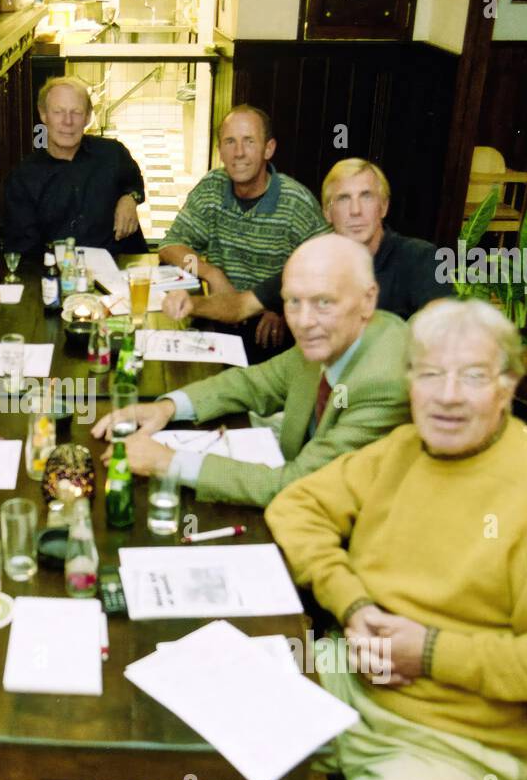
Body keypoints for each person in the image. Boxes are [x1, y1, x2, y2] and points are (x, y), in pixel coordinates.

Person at [266, 298, 527, 780]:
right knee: (188, 719)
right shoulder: (403, 447)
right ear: (409, 382)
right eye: (431, 374)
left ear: (508, 385)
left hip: (460, 748)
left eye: (474, 376)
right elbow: (296, 507)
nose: (448, 396)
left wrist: (431, 652)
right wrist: (353, 602)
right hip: (348, 679)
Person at [94, 234, 410, 510]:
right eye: (293, 302)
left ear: (368, 299)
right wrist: (167, 407)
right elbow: (255, 382)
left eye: (324, 302)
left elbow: (301, 485)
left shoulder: (382, 382)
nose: (304, 320)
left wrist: (168, 461)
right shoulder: (334, 332)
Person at [159, 106, 331, 351]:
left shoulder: (296, 202)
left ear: (268, 149)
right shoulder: (212, 187)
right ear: (220, 151)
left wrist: (283, 307)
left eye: (249, 141)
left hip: (273, 330)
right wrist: (211, 273)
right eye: (230, 142)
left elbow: (328, 270)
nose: (238, 153)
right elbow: (171, 246)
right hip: (219, 318)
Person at [2, 76, 148, 260]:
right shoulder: (23, 178)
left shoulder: (113, 153)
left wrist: (130, 198)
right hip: (59, 275)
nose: (68, 121)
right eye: (58, 112)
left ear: (87, 117)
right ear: (43, 114)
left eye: (77, 112)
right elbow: (25, 250)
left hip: (121, 267)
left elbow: (134, 182)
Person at [322, 158, 452, 318]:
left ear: (383, 207)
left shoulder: (420, 257)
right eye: (343, 198)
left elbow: (445, 327)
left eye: (366, 196)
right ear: (327, 212)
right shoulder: (315, 264)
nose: (355, 210)